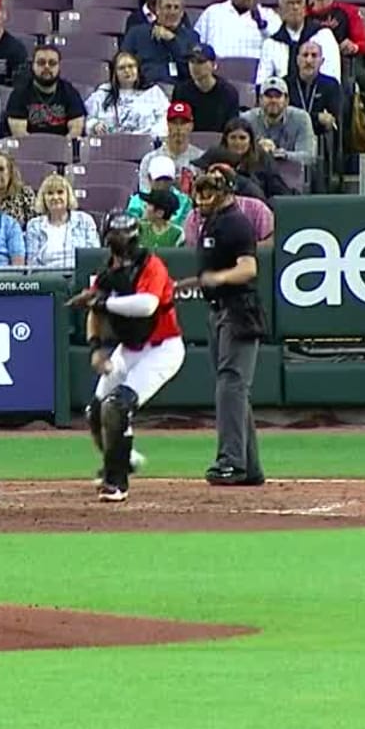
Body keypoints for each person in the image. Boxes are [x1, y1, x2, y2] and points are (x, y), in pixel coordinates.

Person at [67, 215, 184, 501]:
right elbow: (95, 313)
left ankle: (116, 481)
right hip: (129, 348)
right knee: (96, 412)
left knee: (117, 405)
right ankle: (123, 459)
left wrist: (104, 302)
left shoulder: (152, 266)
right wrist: (96, 348)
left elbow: (147, 305)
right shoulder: (106, 271)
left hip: (162, 348)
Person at [175, 166, 265, 486]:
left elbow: (248, 268)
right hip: (217, 309)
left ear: (226, 190)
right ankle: (248, 466)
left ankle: (231, 461)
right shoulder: (210, 222)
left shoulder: (236, 222)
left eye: (209, 190)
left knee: (232, 384)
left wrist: (219, 277)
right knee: (232, 386)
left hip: (238, 310)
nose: (202, 198)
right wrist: (196, 282)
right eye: (200, 192)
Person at [6, 44, 87, 138]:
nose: (47, 67)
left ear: (59, 67)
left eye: (52, 63)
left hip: (61, 146)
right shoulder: (19, 94)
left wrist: (61, 146)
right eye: (41, 63)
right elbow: (20, 135)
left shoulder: (70, 92)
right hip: (29, 146)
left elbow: (76, 130)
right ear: (32, 66)